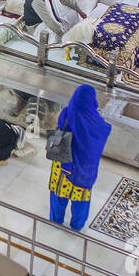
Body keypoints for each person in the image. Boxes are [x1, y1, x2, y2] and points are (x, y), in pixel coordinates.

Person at [47, 85, 110, 232]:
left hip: (64, 163)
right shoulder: (97, 121)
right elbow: (105, 130)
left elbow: (61, 126)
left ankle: (56, 219)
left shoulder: (68, 113)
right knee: (81, 198)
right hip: (85, 168)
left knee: (58, 193)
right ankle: (77, 225)